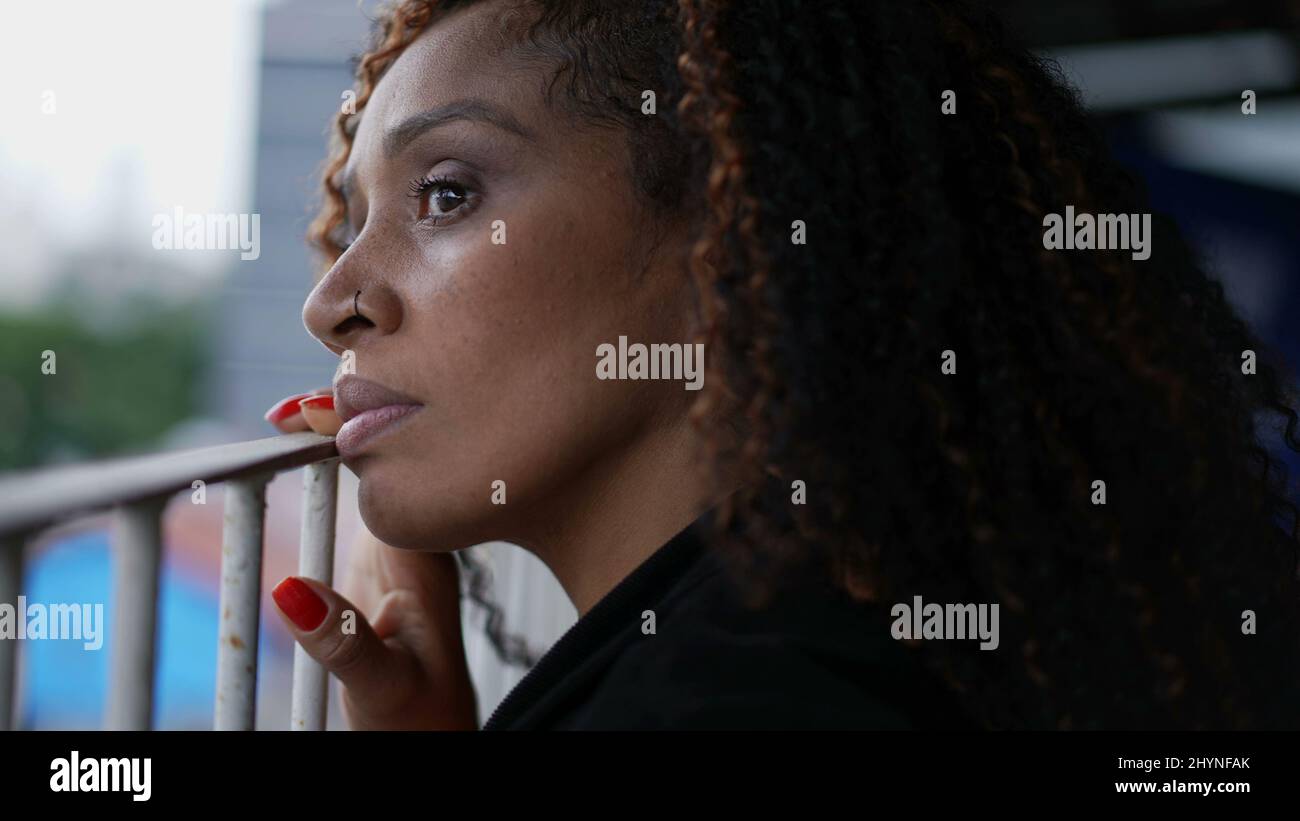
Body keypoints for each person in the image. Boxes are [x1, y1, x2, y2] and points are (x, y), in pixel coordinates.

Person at [264, 0, 1300, 729]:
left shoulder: (727, 694)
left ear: (737, 236)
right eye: (350, 219)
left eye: (445, 194)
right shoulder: (857, 618)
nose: (333, 302)